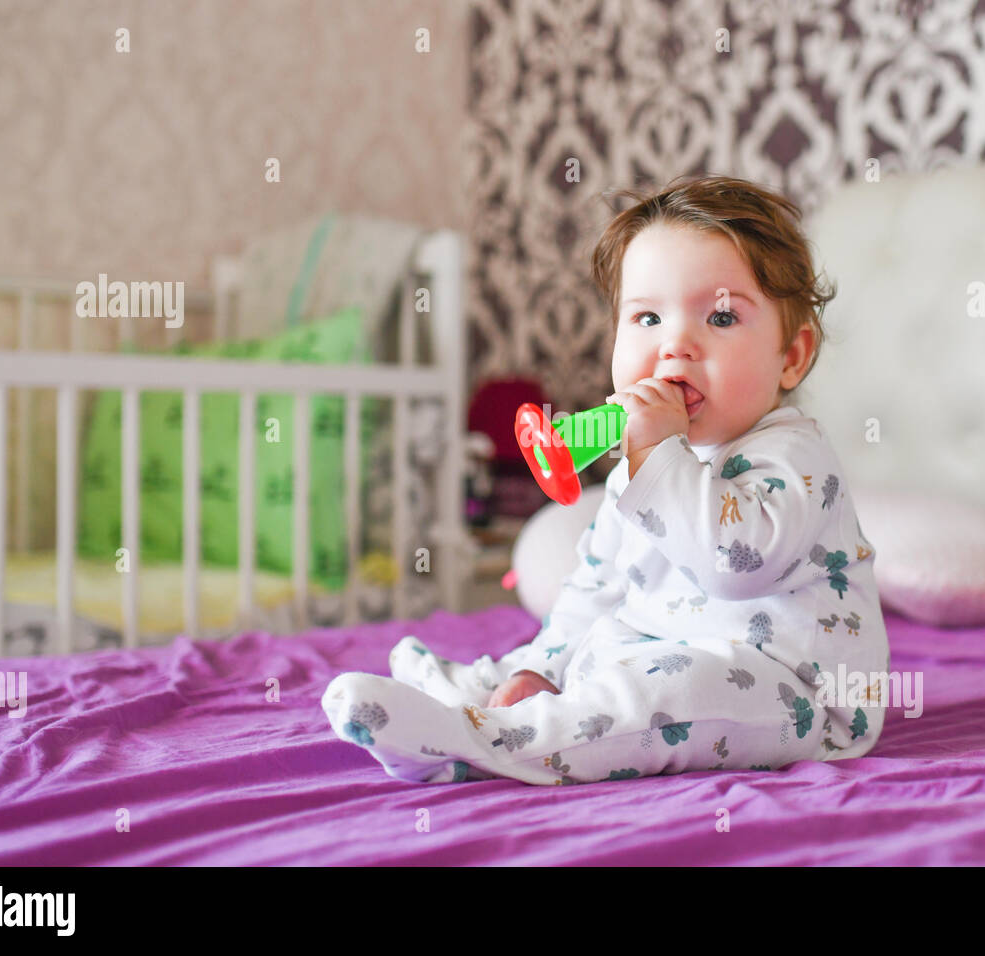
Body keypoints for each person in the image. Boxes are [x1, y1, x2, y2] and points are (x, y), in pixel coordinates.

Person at [321, 175, 890, 784]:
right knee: (592, 652)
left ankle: (491, 743)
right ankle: (488, 693)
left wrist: (656, 453)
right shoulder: (642, 465)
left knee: (668, 690)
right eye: (646, 316)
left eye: (721, 316)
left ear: (792, 356)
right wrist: (542, 667)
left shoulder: (795, 456)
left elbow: (735, 563)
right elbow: (596, 588)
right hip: (655, 650)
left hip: (792, 690)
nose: (675, 345)